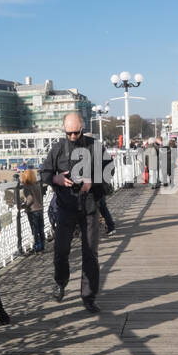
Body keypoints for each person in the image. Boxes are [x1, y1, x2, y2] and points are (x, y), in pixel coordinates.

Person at [40, 111, 111, 312]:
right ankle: (60, 282)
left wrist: (92, 182)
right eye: (69, 133)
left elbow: (109, 171)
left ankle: (89, 297)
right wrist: (57, 179)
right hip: (65, 207)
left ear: (82, 128)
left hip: (89, 207)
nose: (72, 136)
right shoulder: (57, 149)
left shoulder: (95, 146)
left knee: (91, 253)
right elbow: (44, 173)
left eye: (76, 133)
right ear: (64, 130)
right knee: (61, 250)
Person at [20, 169, 46, 252]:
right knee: (41, 229)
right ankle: (42, 246)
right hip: (40, 209)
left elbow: (30, 199)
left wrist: (24, 206)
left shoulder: (26, 187)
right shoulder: (37, 185)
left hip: (32, 211)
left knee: (35, 230)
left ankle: (37, 247)